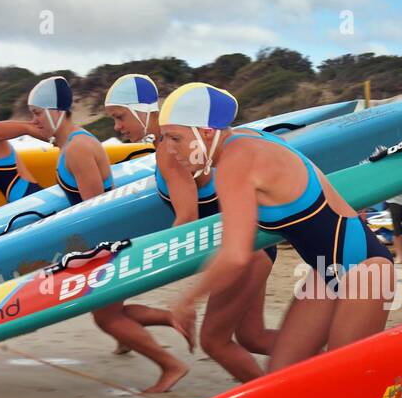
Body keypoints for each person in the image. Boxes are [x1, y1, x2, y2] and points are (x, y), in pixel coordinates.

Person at [159, 82, 402, 398]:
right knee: (283, 375)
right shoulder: (244, 142)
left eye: (176, 137)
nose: (170, 148)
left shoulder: (237, 159)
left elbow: (234, 255)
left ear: (205, 132)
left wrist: (185, 301)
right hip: (326, 270)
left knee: (355, 379)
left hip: (365, 268)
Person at [27, 75, 190, 391]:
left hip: (106, 242)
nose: (33, 122)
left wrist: (86, 257)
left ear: (52, 112)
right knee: (110, 312)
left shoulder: (77, 148)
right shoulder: (78, 142)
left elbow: (96, 209)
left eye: (36, 113)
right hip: (107, 241)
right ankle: (157, 326)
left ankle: (171, 364)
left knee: (106, 317)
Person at [107, 75, 278, 378]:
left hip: (239, 250)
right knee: (253, 336)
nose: (117, 127)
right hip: (257, 241)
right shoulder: (192, 139)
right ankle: (338, 359)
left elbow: (187, 219)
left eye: (120, 117)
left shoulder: (167, 150)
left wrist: (141, 267)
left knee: (216, 341)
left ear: (141, 111)